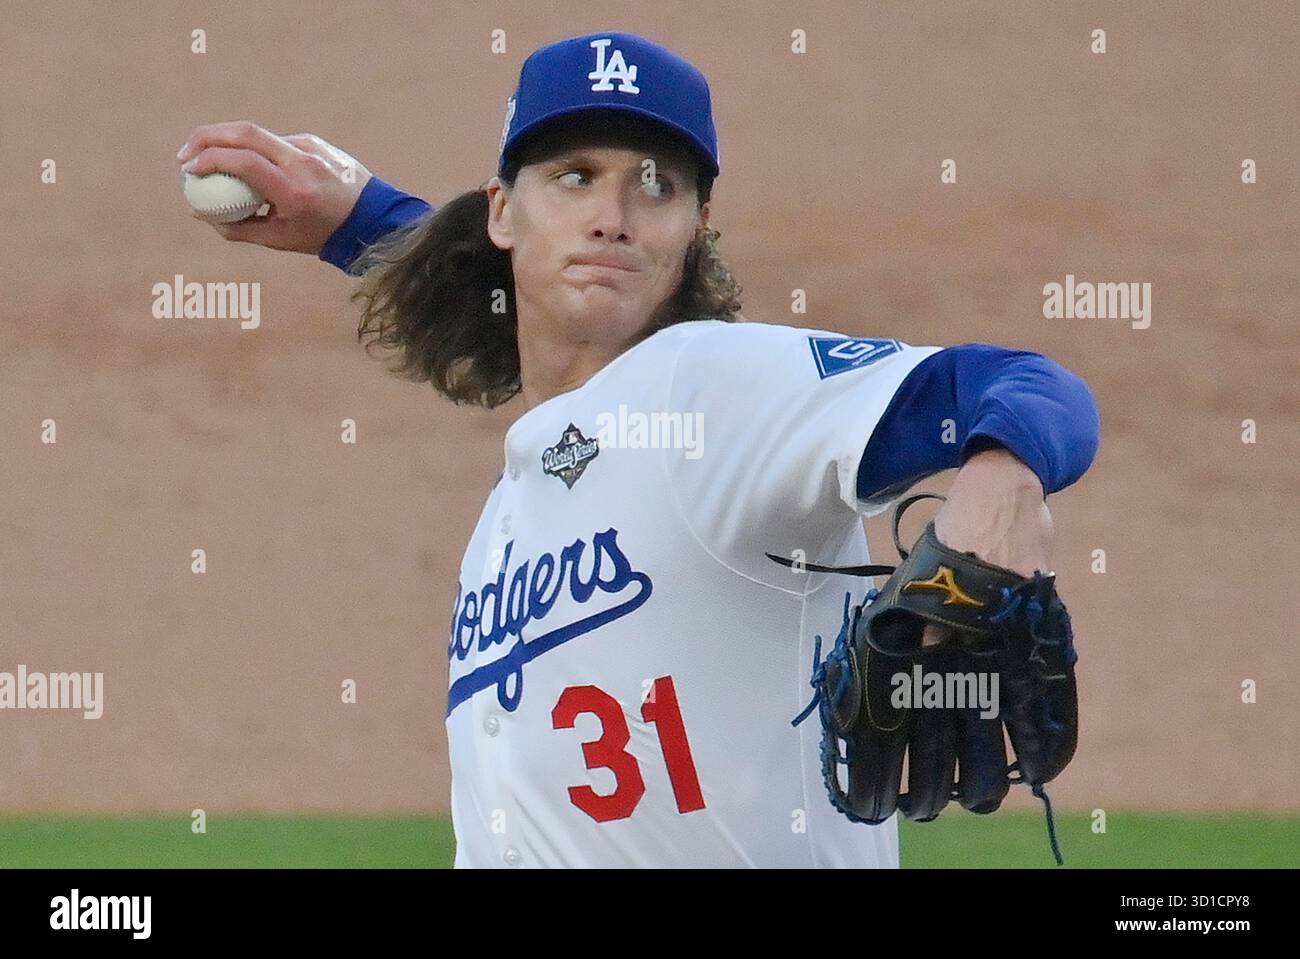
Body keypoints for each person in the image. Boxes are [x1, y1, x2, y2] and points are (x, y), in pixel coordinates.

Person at [176, 31, 1100, 868]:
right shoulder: (528, 482)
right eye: (574, 175)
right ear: (499, 212)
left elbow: (1029, 386)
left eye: (655, 184)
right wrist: (357, 221)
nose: (614, 215)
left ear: (696, 226)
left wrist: (1002, 479)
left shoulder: (718, 390)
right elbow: (535, 295)